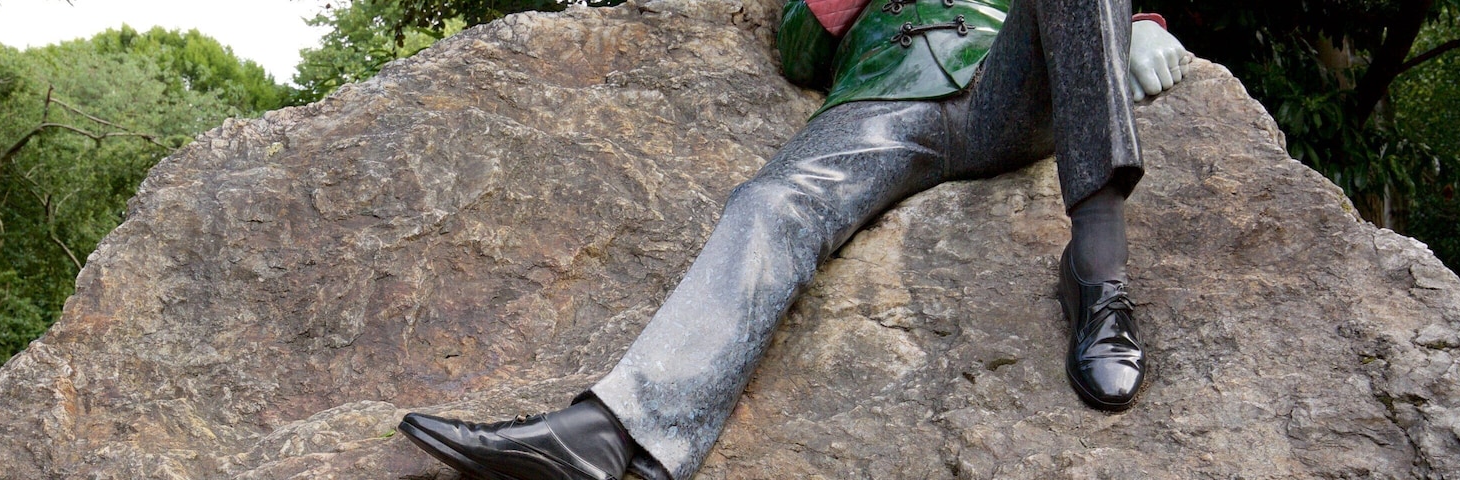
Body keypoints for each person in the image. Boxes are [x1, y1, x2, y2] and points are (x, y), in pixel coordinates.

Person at [398, 0, 1194, 478]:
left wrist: (1141, 21)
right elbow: (803, 48)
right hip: (883, 109)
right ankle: (611, 433)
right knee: (771, 201)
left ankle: (1097, 274)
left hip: (1008, 92)